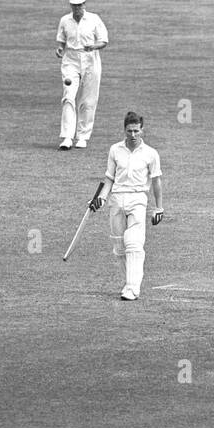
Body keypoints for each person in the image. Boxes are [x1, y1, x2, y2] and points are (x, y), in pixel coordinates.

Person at [86, 112, 163, 300]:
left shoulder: (150, 153)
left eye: (137, 131)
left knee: (134, 243)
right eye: (130, 131)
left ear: (142, 129)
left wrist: (159, 208)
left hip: (138, 199)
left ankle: (132, 287)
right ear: (124, 130)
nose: (133, 135)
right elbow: (109, 178)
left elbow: (156, 181)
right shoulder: (115, 150)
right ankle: (129, 283)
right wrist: (101, 199)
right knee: (119, 248)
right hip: (117, 199)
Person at [55, 0, 108, 150]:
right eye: (75, 5)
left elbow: (104, 41)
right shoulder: (65, 20)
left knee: (88, 100)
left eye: (80, 5)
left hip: (90, 59)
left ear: (84, 5)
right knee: (68, 97)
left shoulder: (94, 19)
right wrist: (59, 49)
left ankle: (83, 136)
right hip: (70, 59)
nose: (77, 8)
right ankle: (67, 137)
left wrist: (93, 46)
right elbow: (61, 41)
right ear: (71, 5)